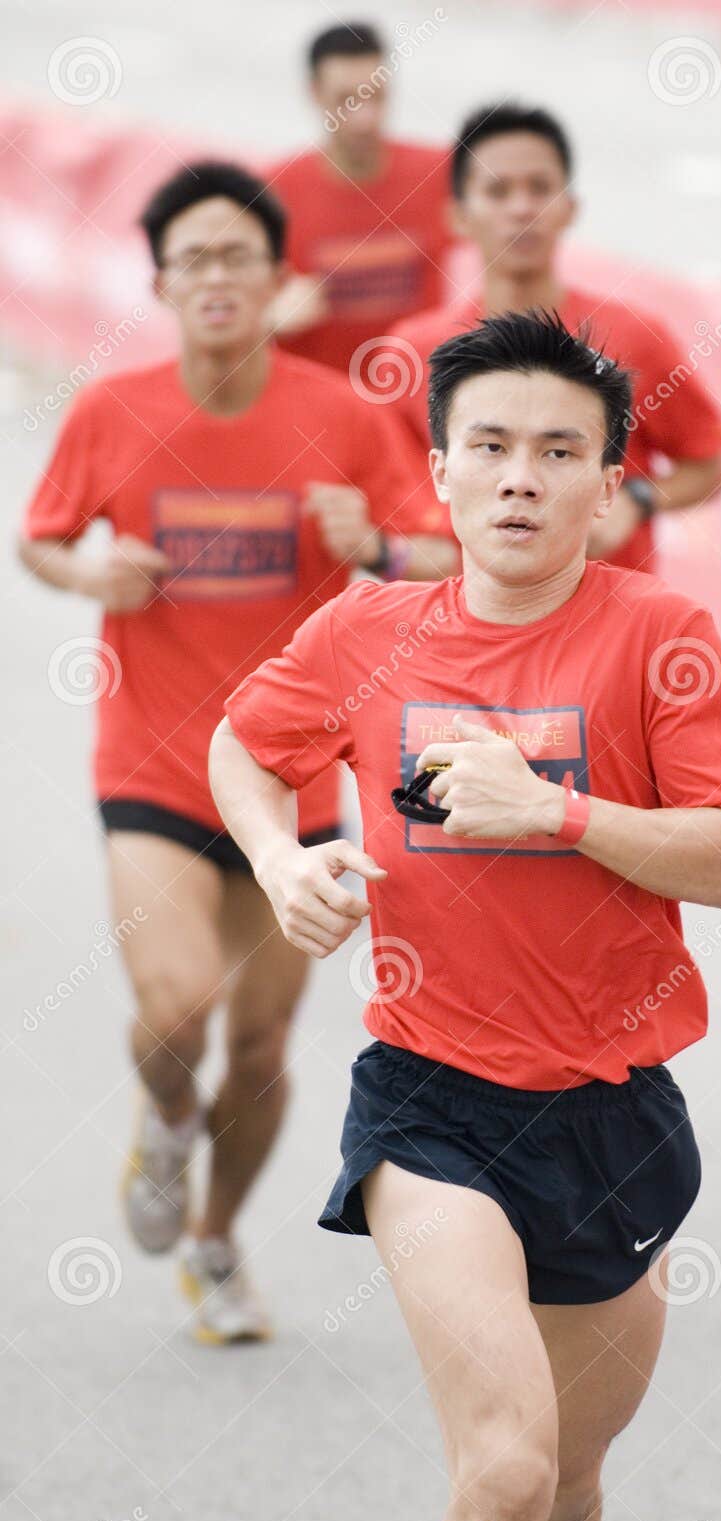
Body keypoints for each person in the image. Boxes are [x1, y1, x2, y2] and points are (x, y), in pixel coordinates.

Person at [210, 311, 721, 1521]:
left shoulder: (661, 634)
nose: (522, 474)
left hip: (610, 1113)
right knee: (508, 1468)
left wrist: (560, 810)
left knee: (567, 1488)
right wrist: (278, 858)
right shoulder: (367, 634)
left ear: (609, 486)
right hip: (433, 1102)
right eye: (492, 445)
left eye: (559, 450)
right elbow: (245, 745)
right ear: (441, 471)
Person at [18, 159, 454, 1344]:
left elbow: (437, 552)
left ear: (280, 280)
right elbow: (42, 540)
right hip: (155, 763)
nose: (216, 276)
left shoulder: (343, 417)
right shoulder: (113, 411)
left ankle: (214, 1242)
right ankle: (163, 1124)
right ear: (162, 282)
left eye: (238, 256)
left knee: (260, 1043)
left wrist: (381, 545)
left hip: (300, 775)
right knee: (178, 1009)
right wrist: (85, 569)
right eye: (193, 258)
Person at [392, 103, 721, 573]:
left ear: (570, 207)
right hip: (474, 629)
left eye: (540, 188)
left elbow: (709, 468)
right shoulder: (414, 352)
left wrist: (635, 500)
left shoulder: (635, 337)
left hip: (612, 623)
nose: (522, 208)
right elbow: (392, 500)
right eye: (498, 190)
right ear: (457, 217)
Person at [269, 20, 454, 374]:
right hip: (320, 406)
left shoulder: (440, 175)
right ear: (314, 92)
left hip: (417, 399)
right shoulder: (273, 192)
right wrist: (266, 320)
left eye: (376, 96)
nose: (364, 118)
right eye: (347, 100)